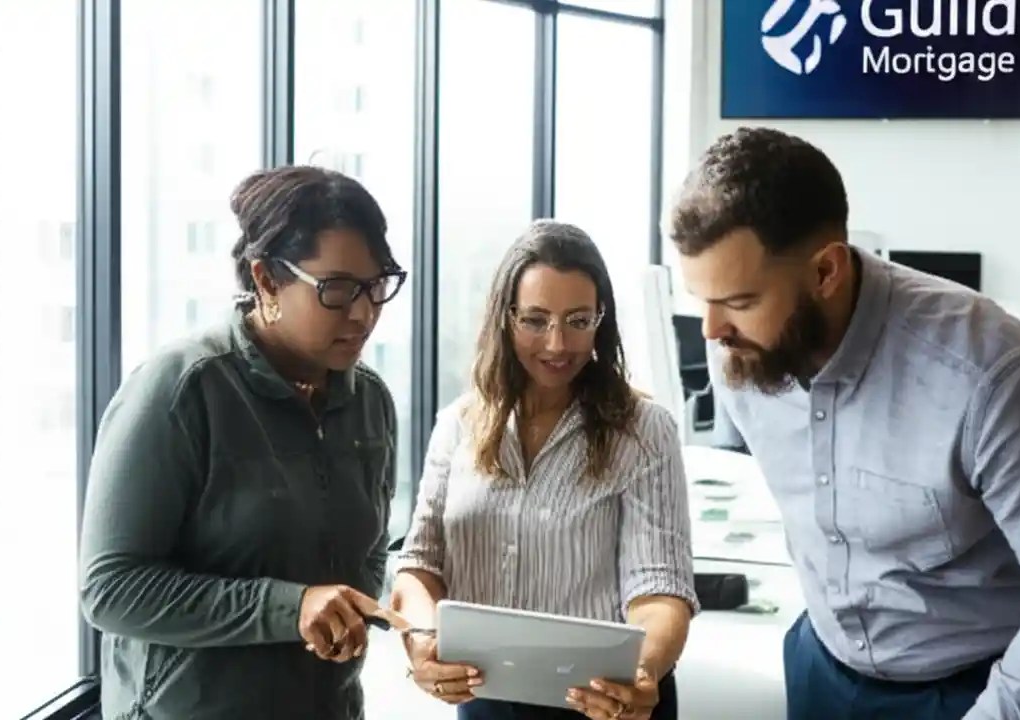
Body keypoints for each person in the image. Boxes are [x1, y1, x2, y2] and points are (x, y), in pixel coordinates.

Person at [670, 126, 1020, 720]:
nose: (712, 331)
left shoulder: (996, 379)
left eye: (739, 302)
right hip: (820, 667)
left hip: (968, 691)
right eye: (701, 300)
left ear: (825, 273)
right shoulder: (741, 352)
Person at [78, 165, 408, 719]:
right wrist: (290, 607)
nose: (363, 312)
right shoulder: (183, 388)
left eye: (377, 285)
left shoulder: (369, 401)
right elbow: (110, 588)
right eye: (337, 289)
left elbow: (370, 547)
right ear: (266, 280)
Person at [391, 220, 698, 720]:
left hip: (603, 702)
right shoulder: (457, 425)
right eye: (535, 320)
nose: (557, 344)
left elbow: (661, 584)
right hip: (485, 698)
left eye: (578, 320)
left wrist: (643, 670)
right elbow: (420, 565)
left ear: (602, 320)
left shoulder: (643, 430)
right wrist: (422, 641)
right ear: (505, 318)